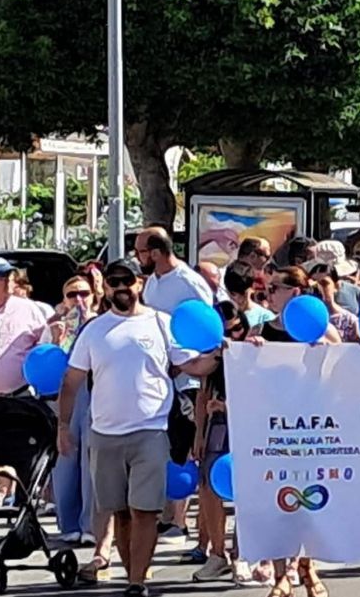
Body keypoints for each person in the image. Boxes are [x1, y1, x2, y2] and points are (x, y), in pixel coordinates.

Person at [57, 258, 217, 597]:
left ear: (139, 284)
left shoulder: (161, 323)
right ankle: (133, 574)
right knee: (120, 511)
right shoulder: (94, 330)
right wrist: (62, 426)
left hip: (151, 431)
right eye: (114, 281)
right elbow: (71, 381)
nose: (121, 287)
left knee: (145, 510)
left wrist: (222, 353)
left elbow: (190, 363)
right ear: (107, 287)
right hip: (105, 434)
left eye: (126, 281)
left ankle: (137, 582)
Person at [252, 267, 339, 597]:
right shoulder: (262, 329)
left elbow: (343, 363)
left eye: (276, 288)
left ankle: (306, 565)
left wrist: (323, 347)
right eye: (268, 288)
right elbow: (248, 374)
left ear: (296, 293)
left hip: (312, 429)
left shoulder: (321, 328)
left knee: (308, 501)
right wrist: (251, 351)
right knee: (277, 501)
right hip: (274, 430)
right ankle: (281, 573)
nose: (269, 294)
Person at [135, 227, 216, 546]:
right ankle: (168, 515)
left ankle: (181, 520)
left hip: (188, 380)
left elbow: (205, 330)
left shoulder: (189, 282)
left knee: (184, 445)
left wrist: (183, 362)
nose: (138, 257)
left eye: (141, 251)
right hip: (158, 378)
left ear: (155, 252)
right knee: (166, 445)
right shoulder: (153, 282)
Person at [191, 302, 252, 584]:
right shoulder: (213, 358)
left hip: (248, 426)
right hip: (216, 428)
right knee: (208, 487)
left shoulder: (252, 349)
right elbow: (202, 393)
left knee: (246, 489)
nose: (234, 336)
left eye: (238, 329)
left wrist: (230, 407)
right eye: (228, 332)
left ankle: (241, 555)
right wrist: (198, 434)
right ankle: (218, 553)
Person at [50, 276, 100, 545]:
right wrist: (57, 337)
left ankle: (91, 523)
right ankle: (68, 521)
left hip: (93, 391)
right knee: (67, 455)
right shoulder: (56, 325)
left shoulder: (99, 322)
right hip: (66, 393)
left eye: (83, 292)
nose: (78, 299)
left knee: (91, 458)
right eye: (72, 294)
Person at [0, 257, 48, 398]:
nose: (10, 281)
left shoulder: (28, 308)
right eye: (3, 277)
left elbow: (44, 344)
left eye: (10, 276)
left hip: (22, 395)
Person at [224, 262, 276, 329]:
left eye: (245, 293)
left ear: (252, 288)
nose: (241, 299)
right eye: (234, 294)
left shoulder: (266, 317)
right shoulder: (220, 314)